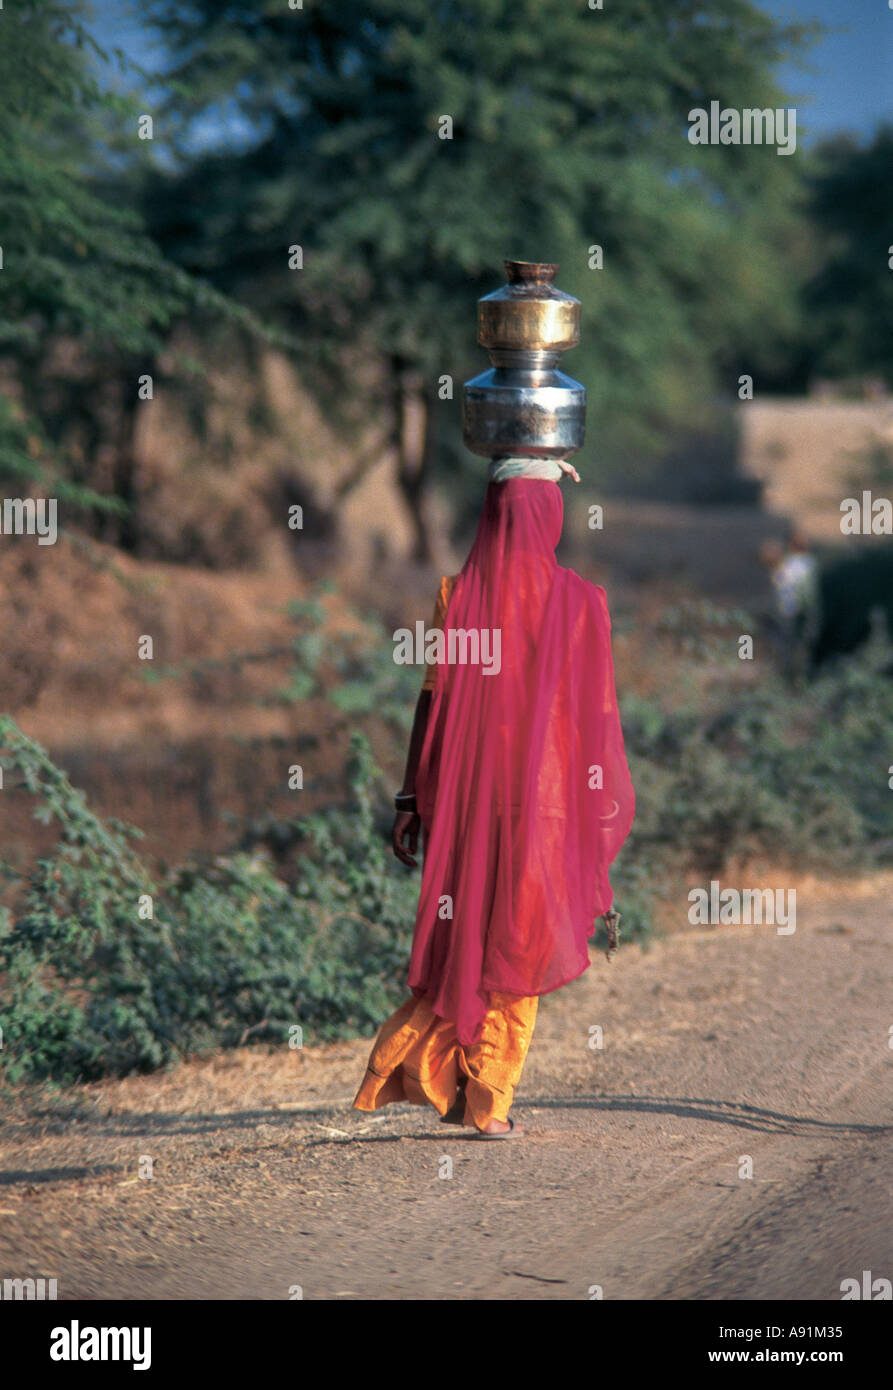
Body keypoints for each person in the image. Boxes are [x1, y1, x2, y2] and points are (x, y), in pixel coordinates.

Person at [353, 459, 635, 1138]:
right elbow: (594, 718)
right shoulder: (579, 602)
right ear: (551, 519)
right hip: (545, 804)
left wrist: (410, 800)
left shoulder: (459, 597)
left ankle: (428, 1074)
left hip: (464, 802)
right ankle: (487, 1102)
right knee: (519, 939)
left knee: (466, 936)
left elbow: (432, 706)